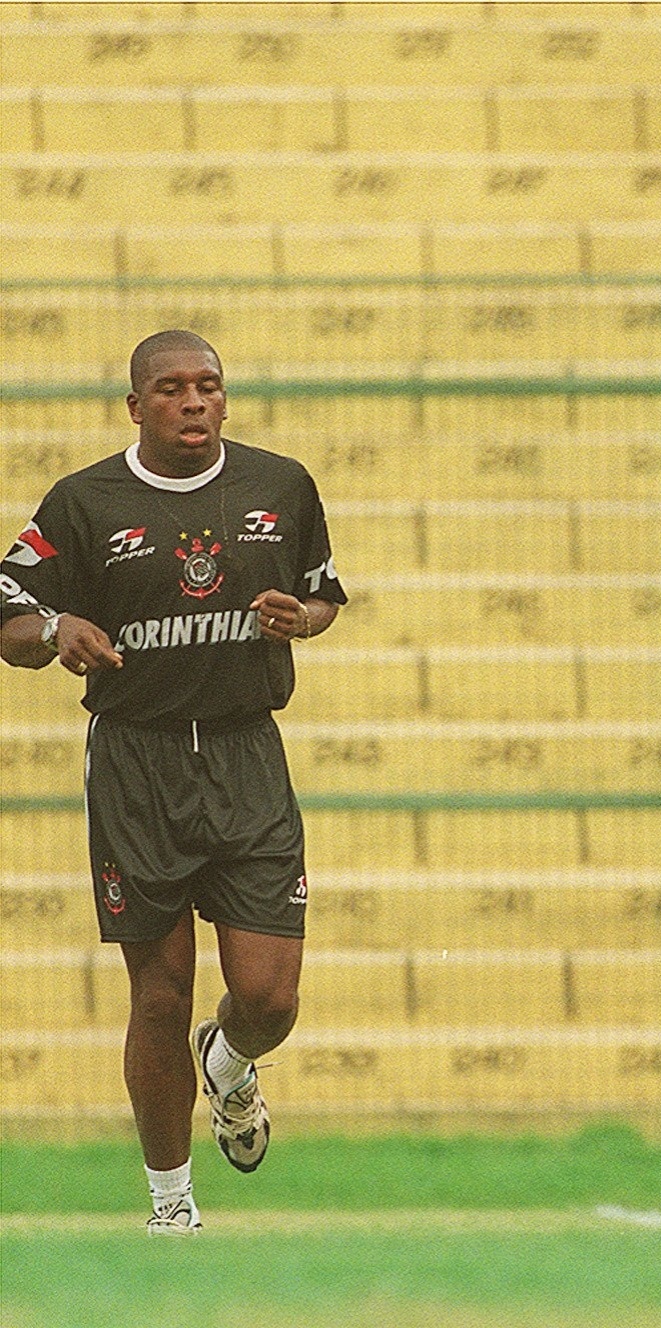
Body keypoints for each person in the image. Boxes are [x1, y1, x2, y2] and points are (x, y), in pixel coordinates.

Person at [0, 330, 346, 1234]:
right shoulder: (83, 501)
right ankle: (171, 1210)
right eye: (171, 388)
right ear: (136, 406)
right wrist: (55, 631)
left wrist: (302, 619)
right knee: (159, 995)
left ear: (224, 398)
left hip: (245, 755)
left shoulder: (281, 485)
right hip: (137, 763)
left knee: (269, 997)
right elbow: (10, 614)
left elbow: (323, 596)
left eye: (208, 386)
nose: (193, 401)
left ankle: (228, 1061)